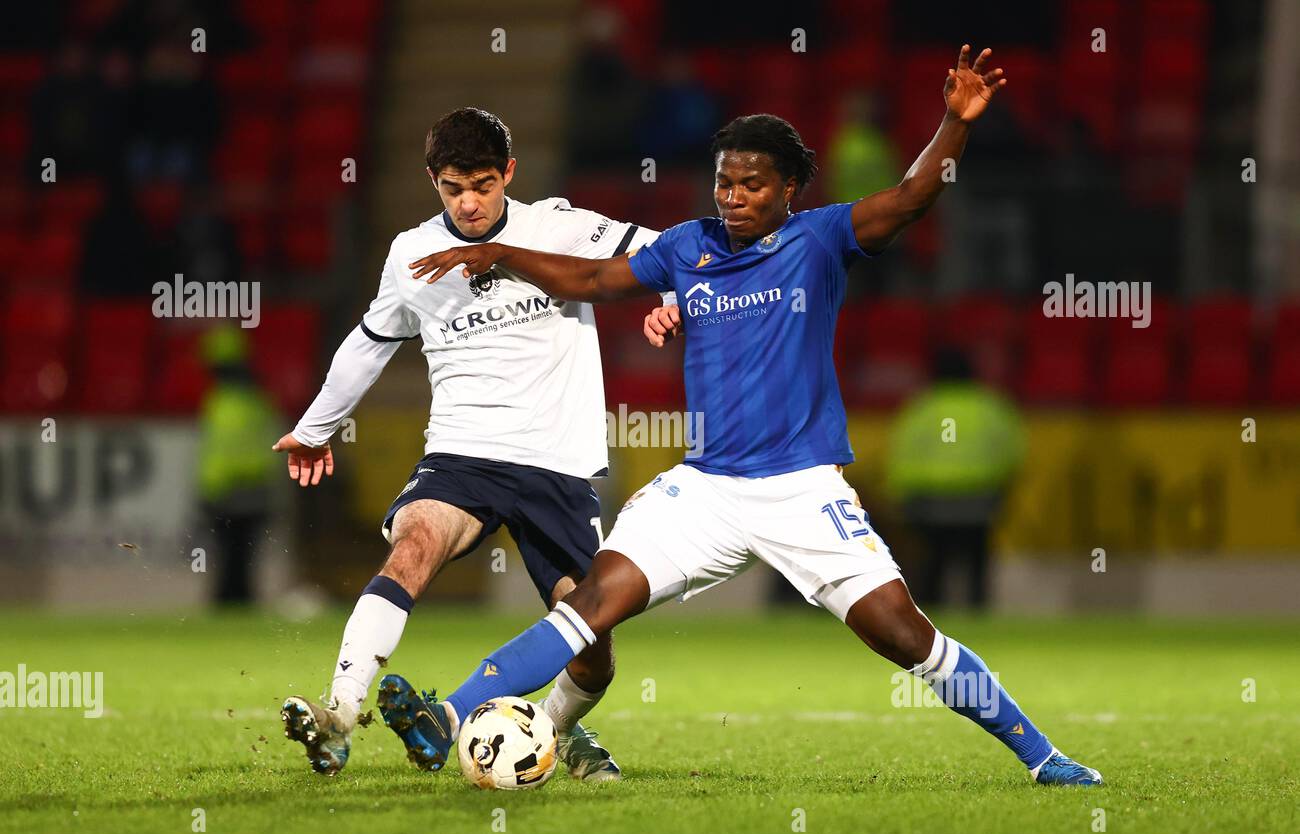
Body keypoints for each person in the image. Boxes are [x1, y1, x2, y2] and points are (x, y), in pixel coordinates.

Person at [395, 46, 1103, 787]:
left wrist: (954, 123)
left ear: (789, 189)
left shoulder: (820, 239)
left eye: (751, 185)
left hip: (802, 489)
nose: (732, 197)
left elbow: (910, 197)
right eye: (724, 182)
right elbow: (597, 278)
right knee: (595, 603)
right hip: (705, 489)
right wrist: (501, 252)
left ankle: (1044, 757)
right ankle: (448, 718)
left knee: (903, 635)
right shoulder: (688, 247)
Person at [275, 108, 678, 779]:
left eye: (484, 185)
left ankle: (554, 729)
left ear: (509, 174)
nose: (469, 202)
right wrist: (316, 428)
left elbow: (668, 249)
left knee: (593, 644)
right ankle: (339, 714)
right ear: (433, 179)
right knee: (414, 546)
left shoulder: (558, 227)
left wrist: (668, 294)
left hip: (558, 464)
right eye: (453, 187)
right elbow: (370, 345)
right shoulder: (410, 253)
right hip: (464, 454)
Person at [887, 348, 1024, 607]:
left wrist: (902, 500)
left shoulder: (921, 408)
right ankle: (979, 620)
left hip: (930, 504)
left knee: (931, 567)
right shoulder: (992, 406)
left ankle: (927, 629)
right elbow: (1012, 453)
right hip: (980, 502)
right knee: (976, 568)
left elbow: (901, 456)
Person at [197, 325, 278, 605]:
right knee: (243, 558)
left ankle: (228, 603)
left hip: (228, 492)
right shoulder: (258, 400)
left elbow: (220, 453)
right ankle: (240, 603)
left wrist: (209, 490)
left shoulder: (221, 403)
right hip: (255, 490)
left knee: (228, 558)